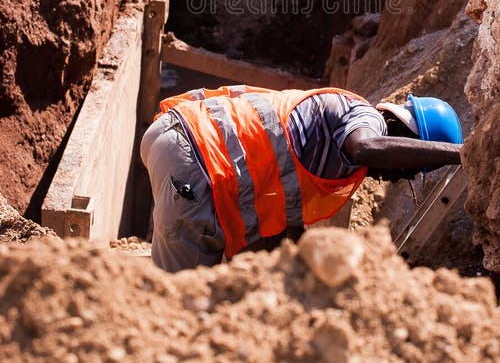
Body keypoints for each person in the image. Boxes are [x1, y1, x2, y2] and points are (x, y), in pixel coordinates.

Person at [140, 84, 463, 272]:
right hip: (194, 156)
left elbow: (277, 232)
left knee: (207, 289)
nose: (394, 178)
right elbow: (366, 146)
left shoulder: (328, 149)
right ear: (401, 131)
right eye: (407, 168)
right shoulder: (365, 117)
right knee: (183, 295)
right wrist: (462, 154)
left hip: (189, 153)